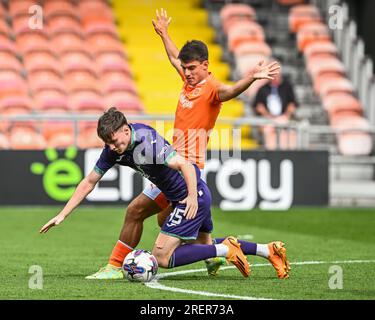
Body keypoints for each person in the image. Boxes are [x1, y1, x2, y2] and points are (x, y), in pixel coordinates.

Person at [82, 8, 284, 279]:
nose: (186, 72)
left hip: (183, 167)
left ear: (205, 66)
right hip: (174, 163)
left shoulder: (212, 89)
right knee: (182, 230)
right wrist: (164, 34)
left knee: (144, 215)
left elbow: (231, 91)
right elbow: (174, 59)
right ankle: (265, 250)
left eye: (191, 68)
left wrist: (251, 77)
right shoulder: (189, 82)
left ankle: (116, 266)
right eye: (185, 68)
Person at [39, 108, 252, 277]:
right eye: (108, 143)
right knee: (136, 211)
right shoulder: (113, 148)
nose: (112, 147)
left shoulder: (147, 142)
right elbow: (89, 181)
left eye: (114, 141)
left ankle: (223, 250)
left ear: (125, 130)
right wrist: (62, 214)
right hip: (166, 190)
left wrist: (192, 197)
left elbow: (186, 165)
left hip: (187, 192)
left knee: (162, 256)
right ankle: (114, 266)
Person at [253, 70, 299, 149]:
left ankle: (290, 152)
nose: (275, 77)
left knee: (290, 131)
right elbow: (258, 106)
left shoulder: (287, 87)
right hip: (268, 120)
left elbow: (292, 104)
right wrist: (268, 116)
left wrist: (285, 116)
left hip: (284, 118)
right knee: (268, 130)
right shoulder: (262, 89)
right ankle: (272, 152)